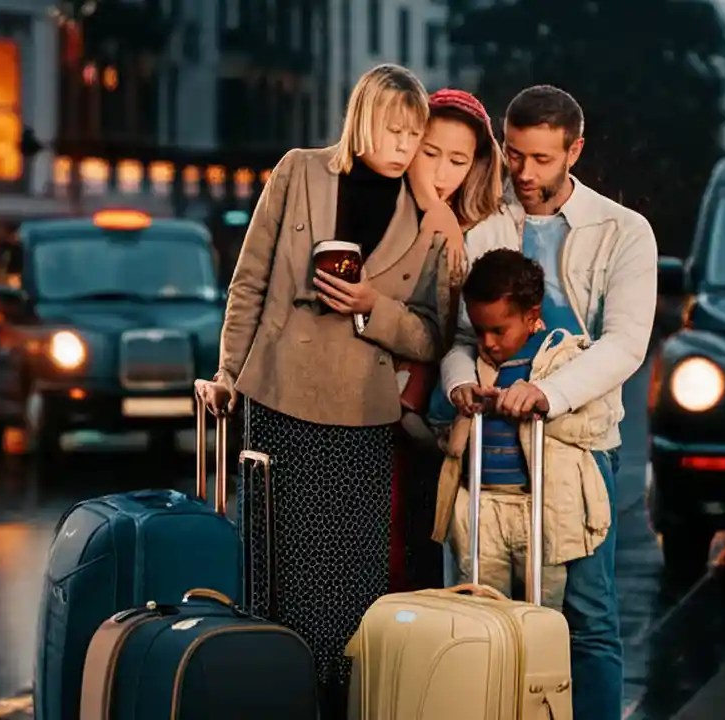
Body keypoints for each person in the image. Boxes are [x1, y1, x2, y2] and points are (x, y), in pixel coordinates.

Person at [195, 63, 454, 719]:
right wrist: (229, 372)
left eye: (413, 134)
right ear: (362, 120)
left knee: (349, 580)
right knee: (275, 569)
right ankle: (271, 697)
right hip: (277, 398)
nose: (403, 146)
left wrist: (370, 309)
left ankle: (337, 704)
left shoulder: (426, 219)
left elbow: (430, 335)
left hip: (361, 417)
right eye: (393, 130)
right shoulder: (299, 172)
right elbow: (249, 281)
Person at [439, 84, 658, 720]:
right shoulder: (482, 229)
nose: (525, 173)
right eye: (513, 155)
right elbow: (457, 337)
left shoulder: (625, 232)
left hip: (579, 450)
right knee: (481, 617)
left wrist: (548, 393)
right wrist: (460, 384)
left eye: (541, 158)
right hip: (491, 454)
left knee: (587, 618)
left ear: (574, 151)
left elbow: (626, 344)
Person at [430, 248, 615, 610]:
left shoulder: (560, 360)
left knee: (541, 614)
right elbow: (439, 424)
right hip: (482, 508)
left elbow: (593, 426)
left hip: (539, 508)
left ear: (531, 316)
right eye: (480, 331)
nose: (489, 343)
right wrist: (460, 402)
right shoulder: (471, 367)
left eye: (499, 330)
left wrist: (543, 401)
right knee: (482, 612)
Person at [391, 87, 505, 592]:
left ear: (477, 164)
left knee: (430, 555)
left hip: (442, 413)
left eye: (457, 160)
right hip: (373, 406)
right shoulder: (386, 209)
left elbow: (456, 333)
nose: (441, 172)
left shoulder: (486, 227)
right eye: (429, 152)